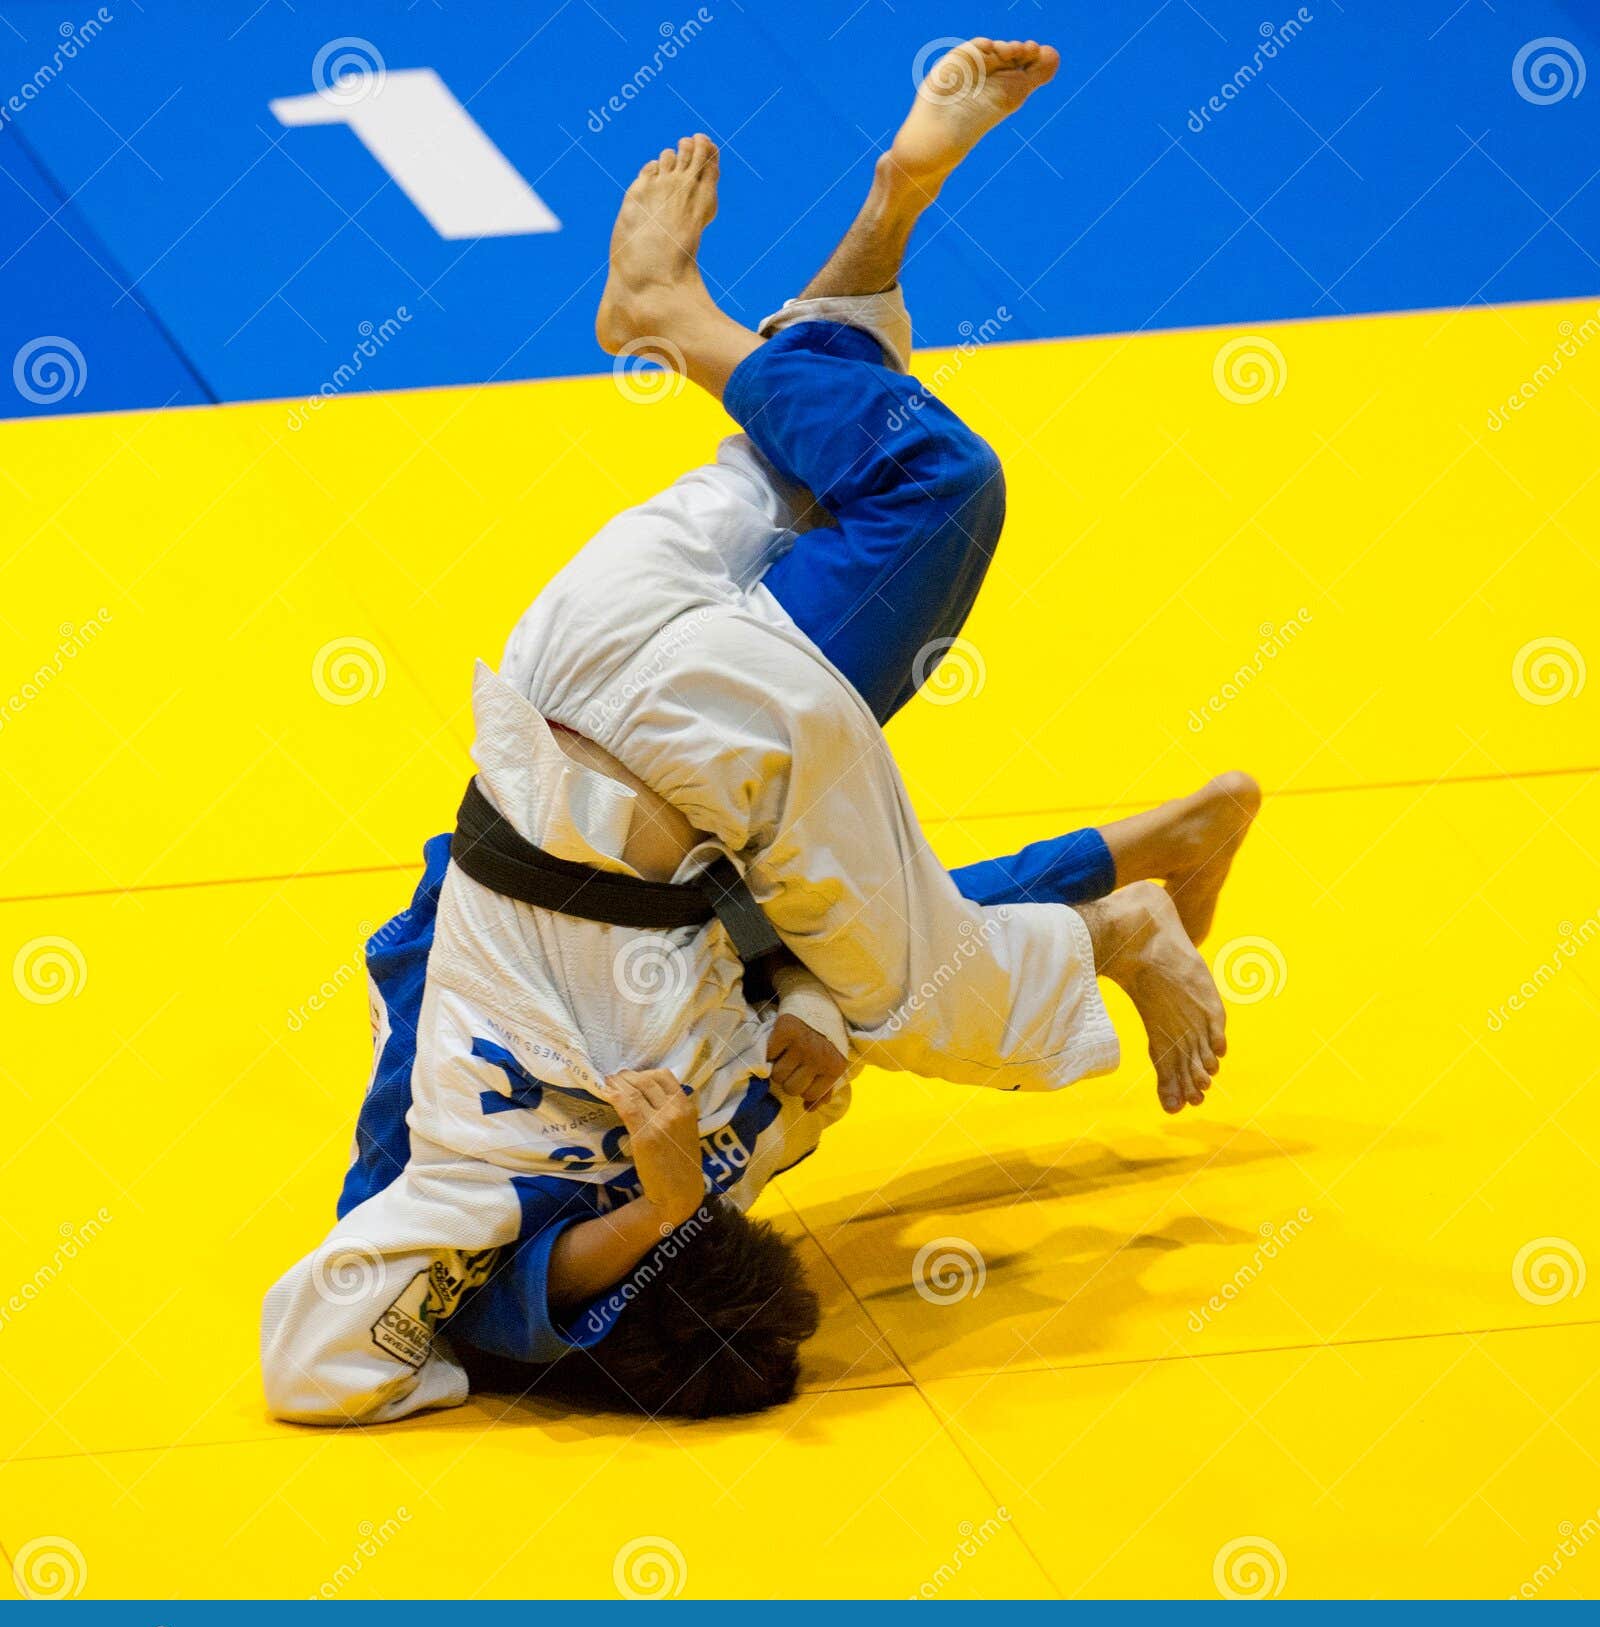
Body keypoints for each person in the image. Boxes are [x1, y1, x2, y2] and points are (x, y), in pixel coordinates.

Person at [261, 37, 1259, 1426]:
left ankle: (1120, 922)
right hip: (591, 684)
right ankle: (878, 224)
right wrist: (786, 1047)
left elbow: (310, 1367)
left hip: (693, 747)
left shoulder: (446, 1204)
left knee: (939, 501)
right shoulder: (728, 1152)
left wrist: (659, 1207)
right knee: (812, 479)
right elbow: (774, 985)